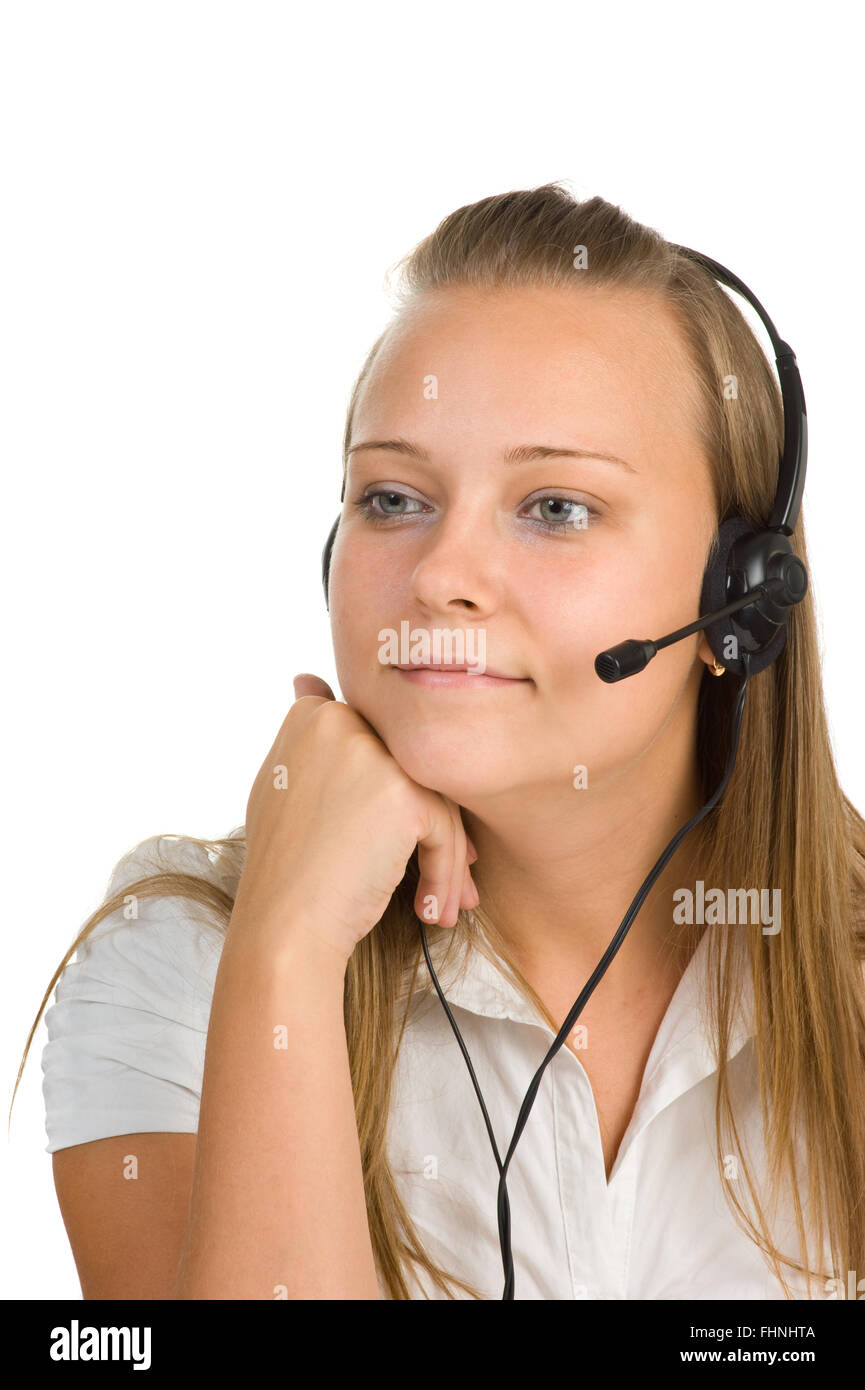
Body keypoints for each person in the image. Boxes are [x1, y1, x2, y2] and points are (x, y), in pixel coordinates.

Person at [14, 182, 865, 1301]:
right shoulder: (186, 963)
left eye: (554, 506)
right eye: (393, 497)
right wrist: (286, 946)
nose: (440, 575)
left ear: (735, 605)